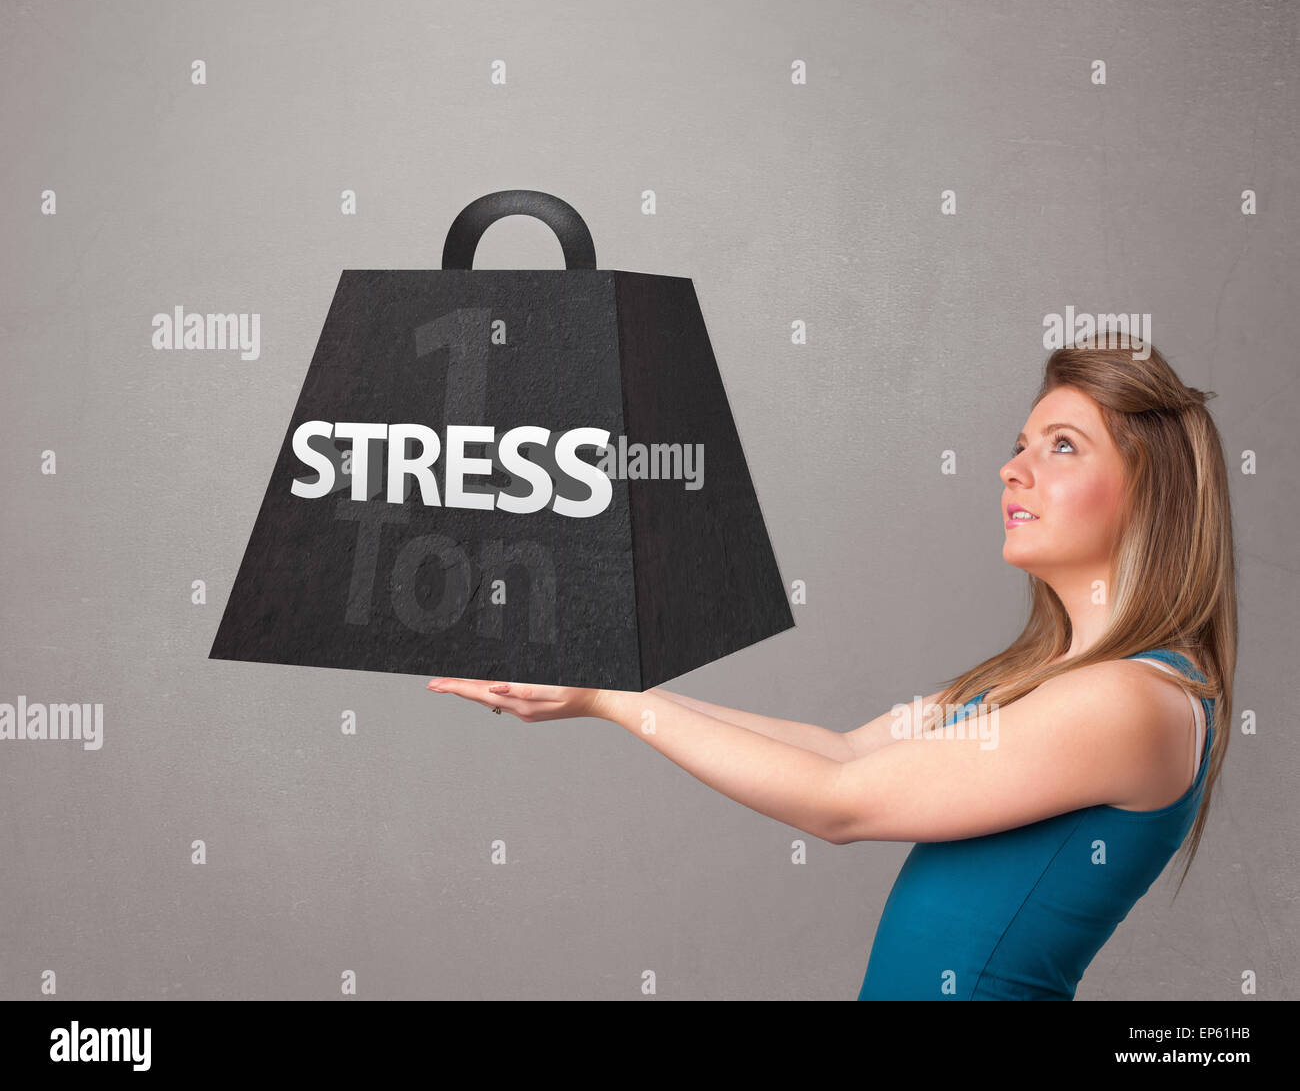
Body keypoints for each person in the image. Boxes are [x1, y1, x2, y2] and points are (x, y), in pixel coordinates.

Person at [426, 338, 1236, 1000]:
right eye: (1019, 444)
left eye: (1063, 447)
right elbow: (843, 751)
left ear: (1151, 491)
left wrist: (610, 702)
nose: (1012, 469)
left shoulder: (1133, 701)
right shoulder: (1035, 678)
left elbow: (838, 806)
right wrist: (619, 689)